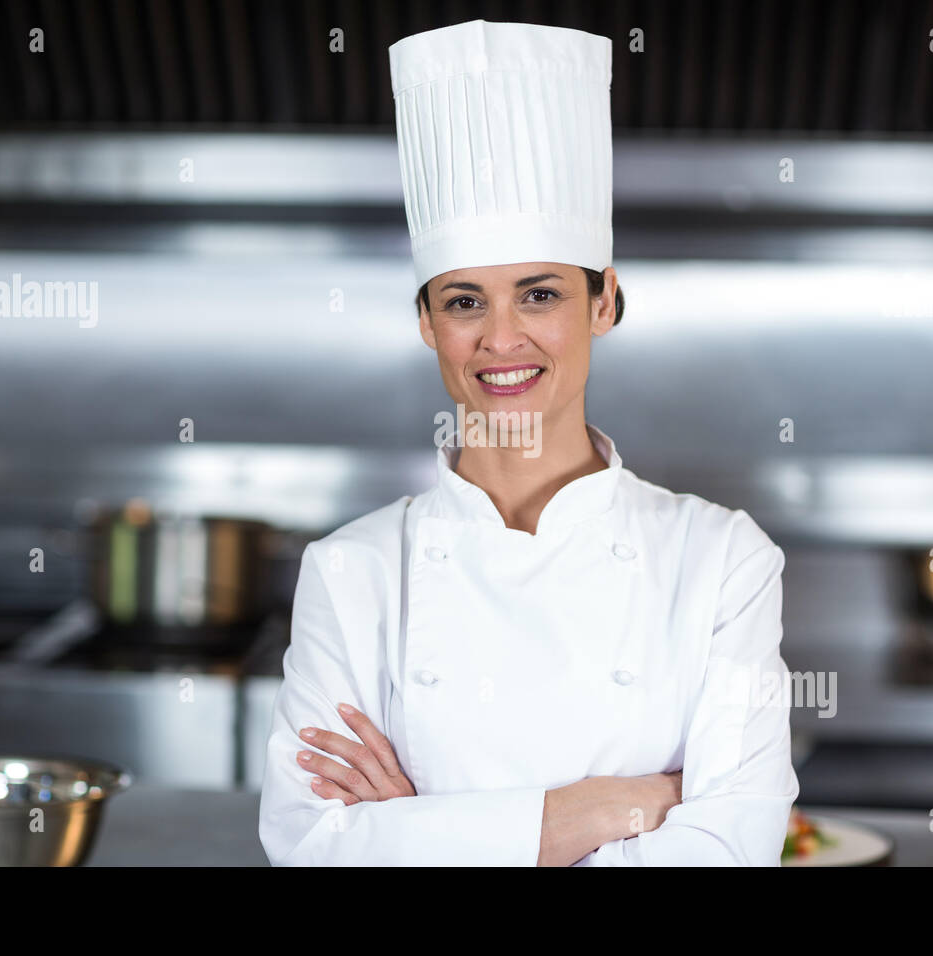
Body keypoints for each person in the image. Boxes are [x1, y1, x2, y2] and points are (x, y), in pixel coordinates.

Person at [258, 19, 799, 866]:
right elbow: (310, 846)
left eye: (539, 294)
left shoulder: (722, 559)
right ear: (428, 324)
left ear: (604, 302)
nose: (501, 340)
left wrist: (421, 835)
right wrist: (608, 809)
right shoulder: (354, 569)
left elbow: (730, 848)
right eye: (465, 301)